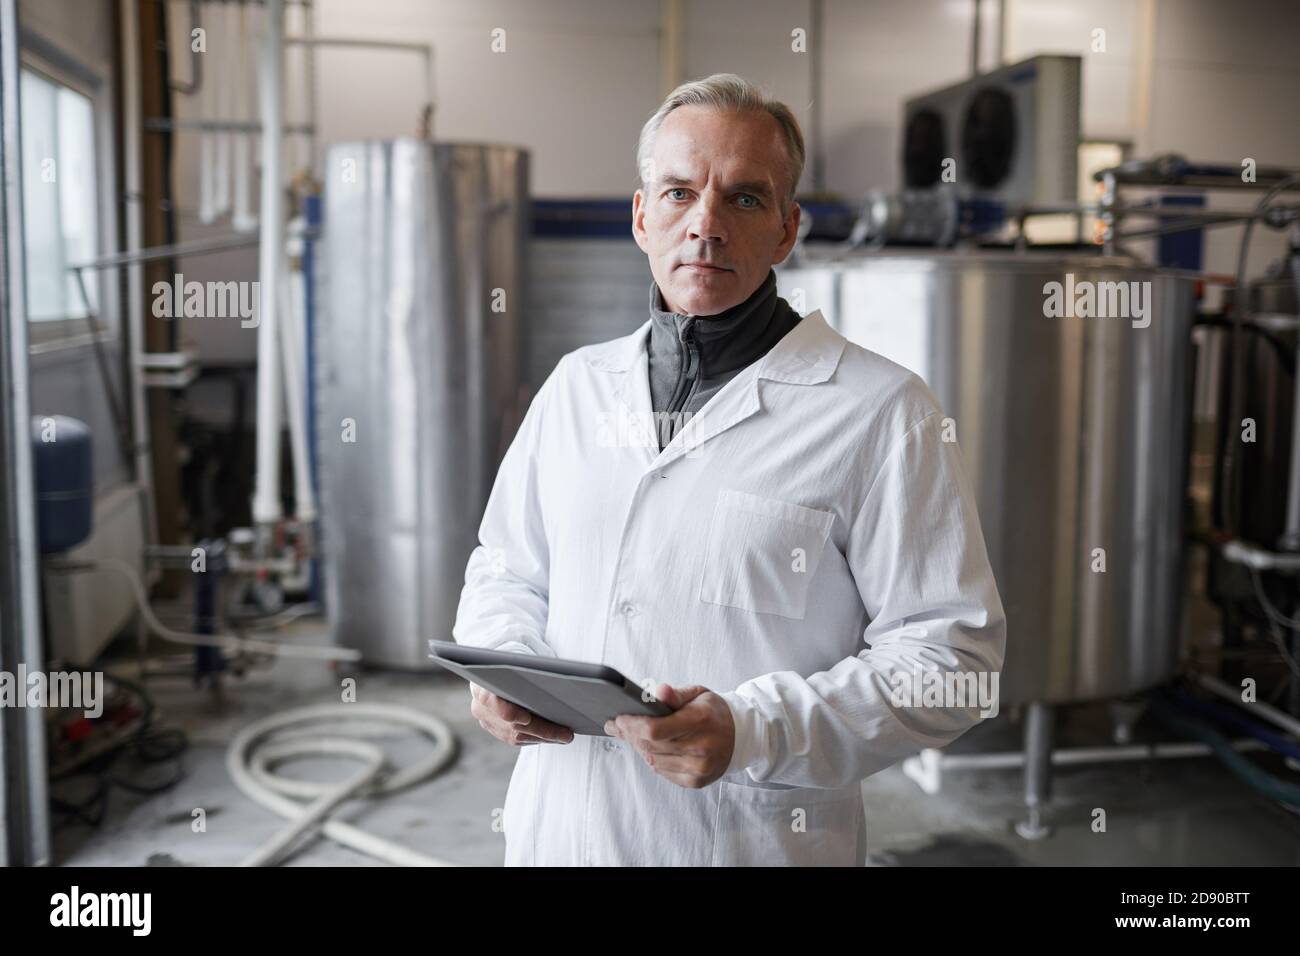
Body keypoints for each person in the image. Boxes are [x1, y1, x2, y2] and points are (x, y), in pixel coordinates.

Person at [453, 73, 1005, 866]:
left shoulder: (880, 411)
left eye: (744, 199)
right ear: (643, 217)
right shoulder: (577, 386)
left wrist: (755, 732)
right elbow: (506, 567)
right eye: (678, 193)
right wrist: (503, 669)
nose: (705, 225)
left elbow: (953, 660)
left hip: (753, 843)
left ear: (787, 230)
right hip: (563, 836)